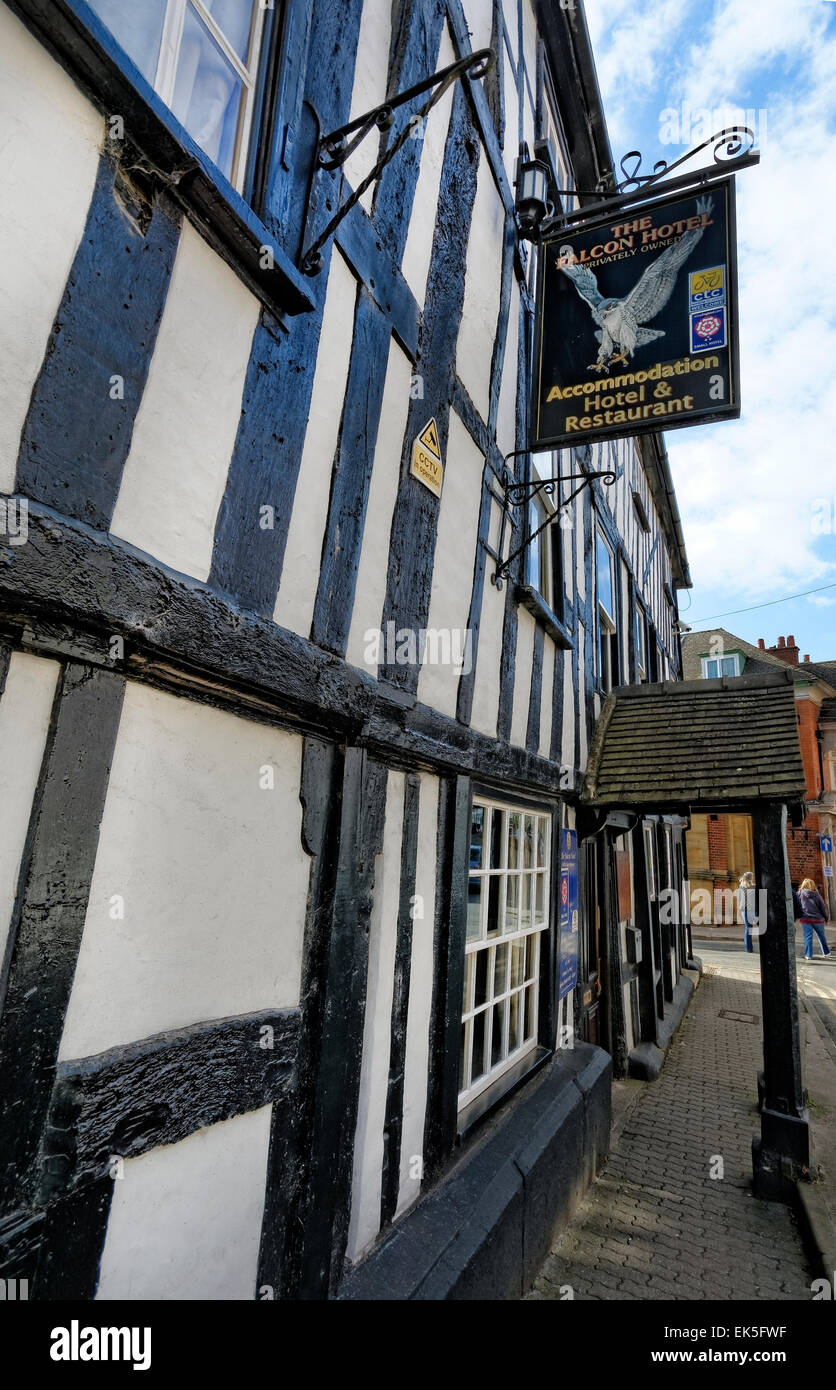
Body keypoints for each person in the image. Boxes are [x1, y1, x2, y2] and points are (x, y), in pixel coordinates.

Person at [795, 877, 832, 960]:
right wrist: (827, 919)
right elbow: (823, 908)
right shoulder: (817, 895)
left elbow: (796, 905)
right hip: (817, 920)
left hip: (805, 919)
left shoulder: (799, 893)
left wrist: (797, 916)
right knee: (821, 936)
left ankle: (808, 955)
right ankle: (826, 953)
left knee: (808, 937)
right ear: (812, 885)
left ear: (803, 885)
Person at [737, 870, 756, 953]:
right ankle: (749, 948)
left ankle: (748, 947)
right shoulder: (753, 887)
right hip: (751, 909)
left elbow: (739, 899)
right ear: (751, 878)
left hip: (744, 910)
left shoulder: (741, 888)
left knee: (748, 928)